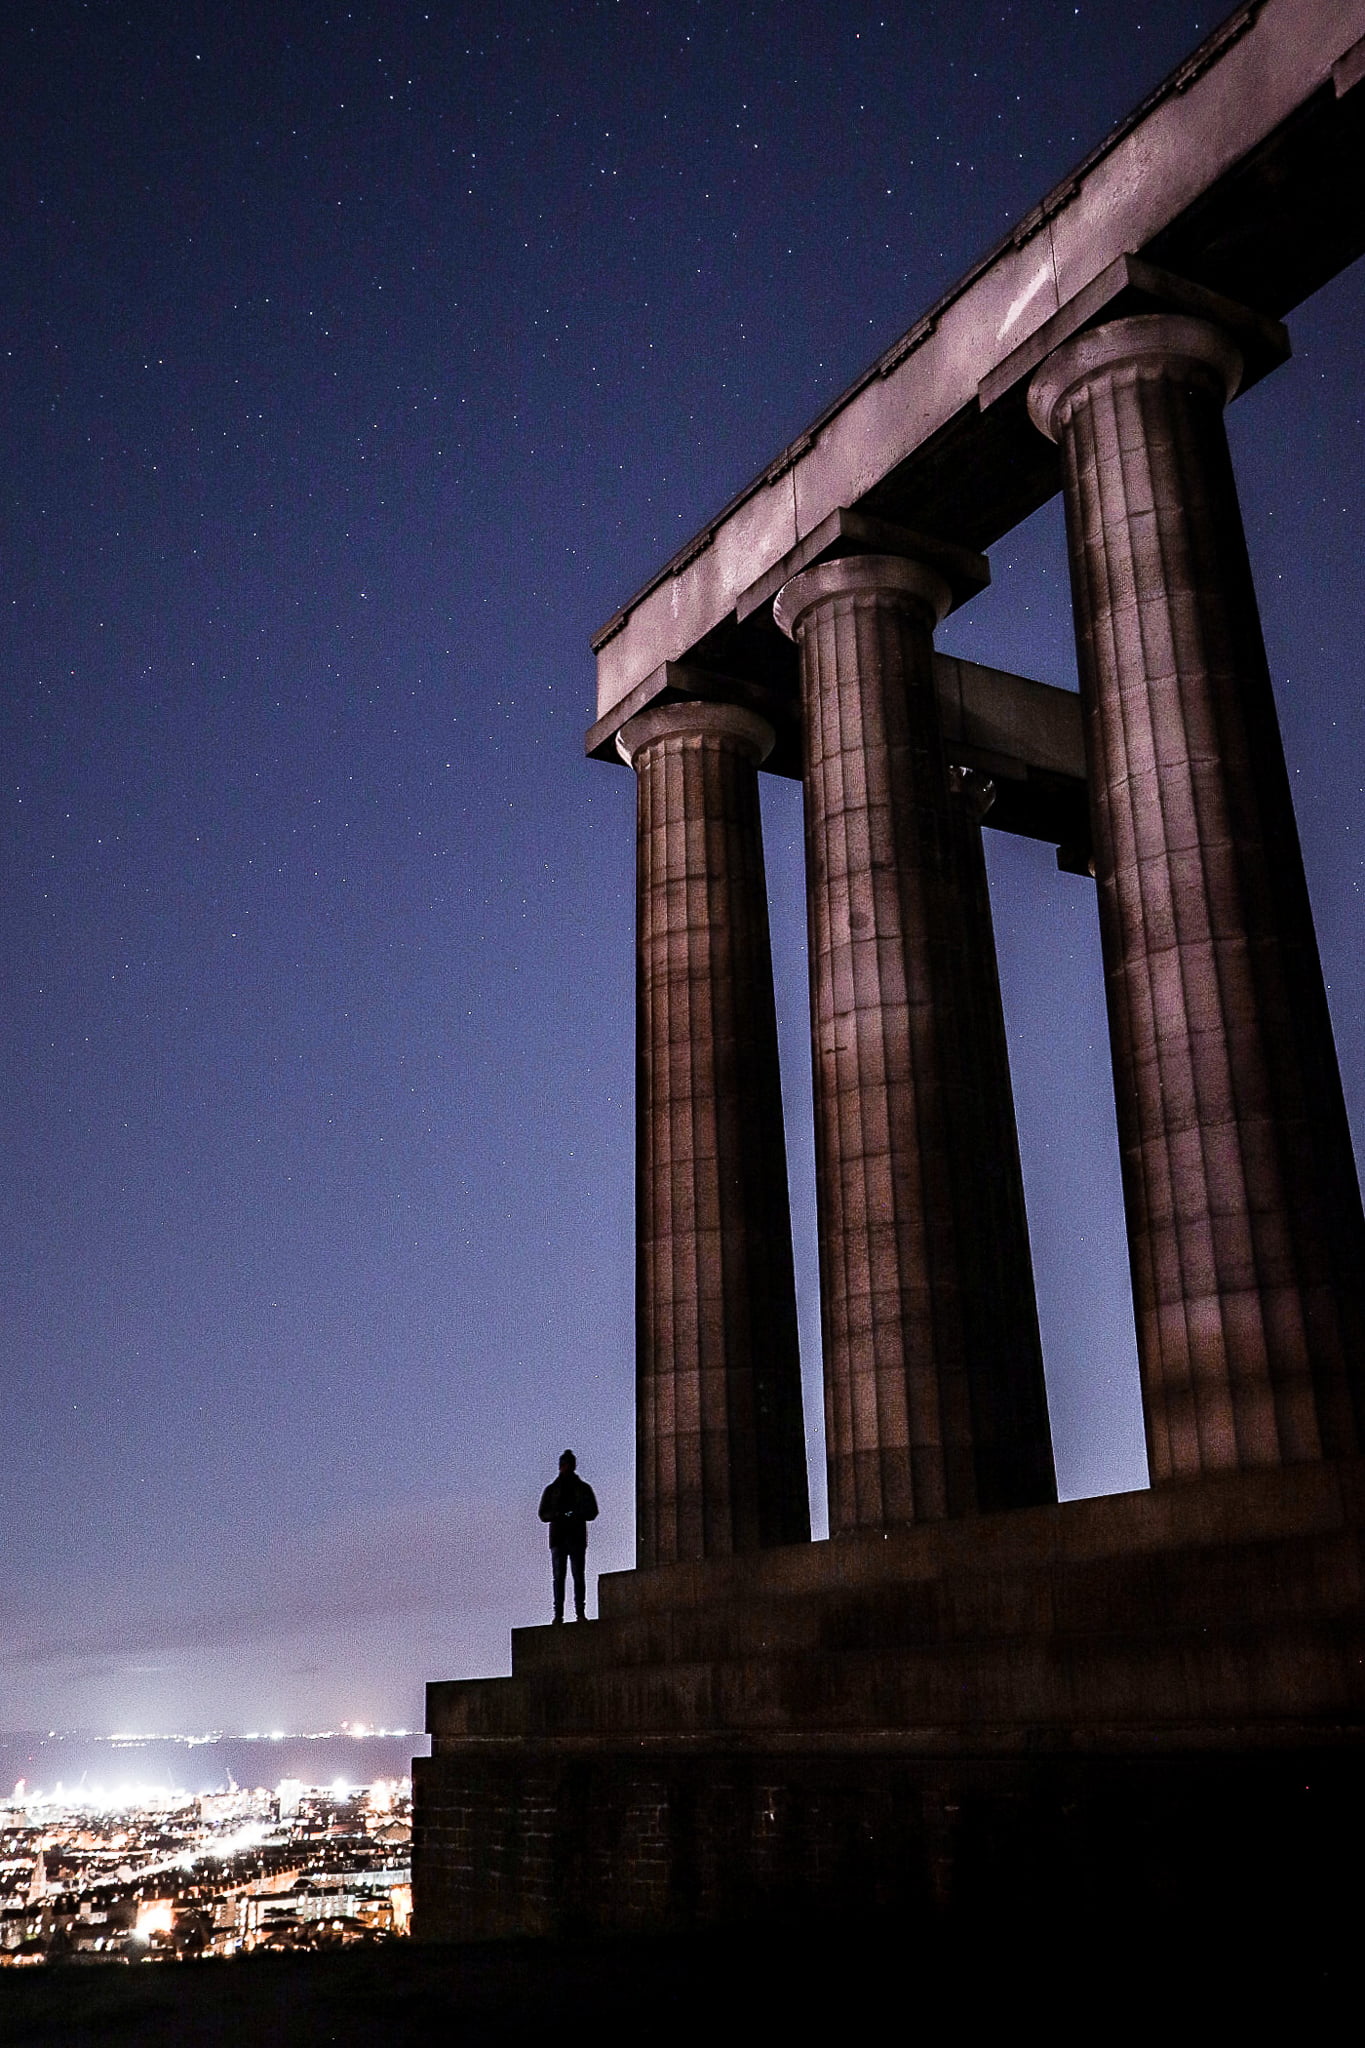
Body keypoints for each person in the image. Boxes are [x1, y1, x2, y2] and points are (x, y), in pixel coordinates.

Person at [538, 1449, 598, 1623]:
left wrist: (576, 1514)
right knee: (560, 1577)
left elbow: (592, 1512)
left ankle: (579, 1612)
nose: (566, 1468)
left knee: (577, 1575)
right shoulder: (552, 1490)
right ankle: (559, 1614)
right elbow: (543, 1514)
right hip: (559, 1538)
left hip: (575, 1537)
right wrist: (559, 1515)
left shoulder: (583, 1488)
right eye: (565, 1464)